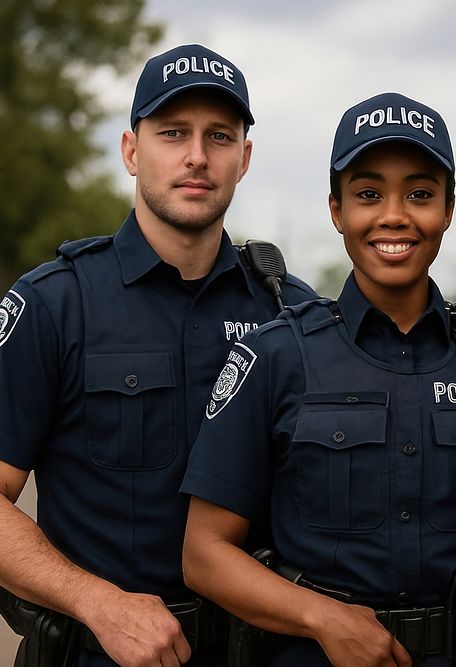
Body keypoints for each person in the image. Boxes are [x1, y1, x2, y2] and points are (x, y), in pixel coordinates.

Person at [180, 91, 456, 667]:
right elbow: (204, 552)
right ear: (337, 210)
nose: (394, 215)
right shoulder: (276, 355)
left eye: (420, 193)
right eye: (368, 194)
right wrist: (322, 619)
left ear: (448, 209)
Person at [0, 43, 316, 667]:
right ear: (131, 150)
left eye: (219, 136)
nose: (197, 156)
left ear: (244, 159)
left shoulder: (292, 313)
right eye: (173, 133)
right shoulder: (55, 304)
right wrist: (97, 603)